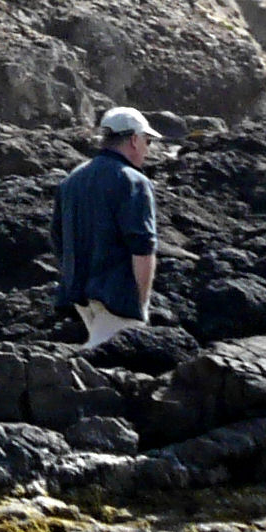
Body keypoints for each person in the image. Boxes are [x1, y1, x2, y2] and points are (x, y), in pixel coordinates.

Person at [55, 105, 161, 349]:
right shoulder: (134, 182)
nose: (147, 149)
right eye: (148, 141)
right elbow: (143, 248)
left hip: (80, 297)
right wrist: (140, 305)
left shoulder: (71, 180)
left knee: (90, 363)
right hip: (117, 299)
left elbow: (58, 240)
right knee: (109, 371)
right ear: (134, 139)